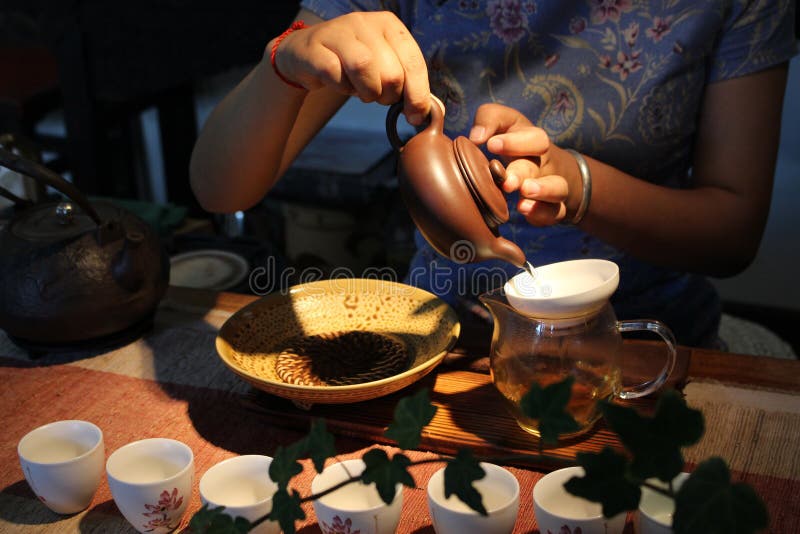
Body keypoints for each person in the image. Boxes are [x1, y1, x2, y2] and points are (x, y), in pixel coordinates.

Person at [190, 0, 796, 348]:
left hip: (643, 344)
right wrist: (288, 65)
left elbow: (732, 233)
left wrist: (579, 184)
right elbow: (220, 188)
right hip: (441, 339)